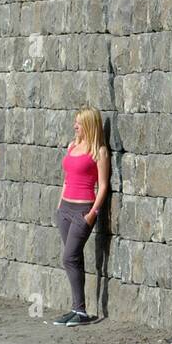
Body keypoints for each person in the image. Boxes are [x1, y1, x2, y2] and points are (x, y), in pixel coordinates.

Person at [51, 107, 109, 326]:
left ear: (89, 125)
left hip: (83, 210)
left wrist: (93, 213)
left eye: (79, 123)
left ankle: (80, 311)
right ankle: (78, 309)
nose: (75, 126)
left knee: (69, 257)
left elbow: (102, 186)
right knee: (74, 259)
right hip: (65, 209)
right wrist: (59, 207)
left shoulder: (99, 151)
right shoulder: (72, 146)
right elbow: (66, 180)